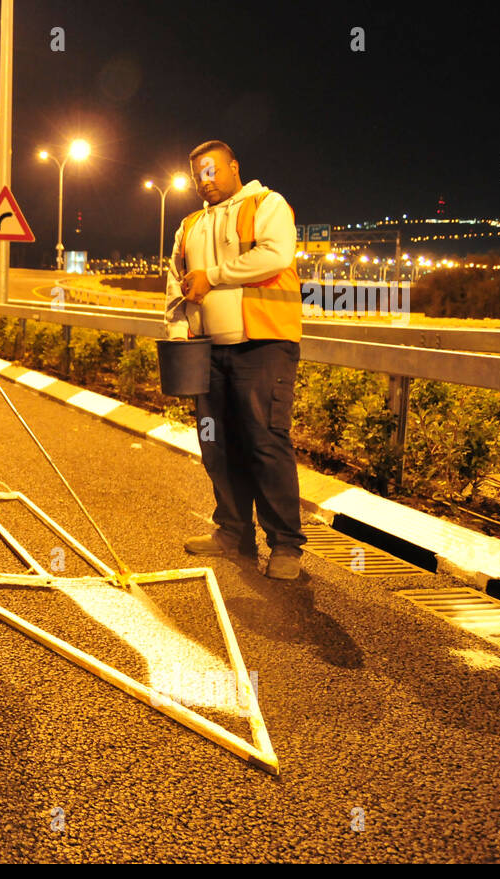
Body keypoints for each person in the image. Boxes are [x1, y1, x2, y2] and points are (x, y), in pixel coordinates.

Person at [164, 139, 308, 580]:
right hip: (206, 349)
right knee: (216, 444)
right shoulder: (189, 225)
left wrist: (214, 276)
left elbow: (275, 255)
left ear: (233, 168)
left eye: (212, 171)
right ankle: (232, 531)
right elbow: (175, 280)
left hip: (262, 343)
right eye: (197, 175)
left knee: (264, 441)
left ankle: (285, 546)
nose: (204, 182)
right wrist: (176, 330)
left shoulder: (267, 204)